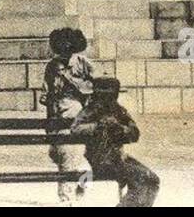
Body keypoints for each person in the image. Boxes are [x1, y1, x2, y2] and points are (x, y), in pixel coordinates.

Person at [72, 77, 159, 207]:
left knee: (153, 179)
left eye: (111, 96)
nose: (108, 100)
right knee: (141, 179)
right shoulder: (90, 110)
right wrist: (97, 126)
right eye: (104, 96)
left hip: (118, 159)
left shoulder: (119, 111)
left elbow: (134, 133)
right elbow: (75, 129)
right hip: (99, 161)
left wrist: (120, 128)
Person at [42, 27, 93, 203]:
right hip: (57, 113)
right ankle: (85, 172)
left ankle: (66, 199)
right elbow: (48, 97)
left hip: (75, 113)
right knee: (55, 153)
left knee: (66, 155)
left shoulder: (83, 63)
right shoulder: (51, 66)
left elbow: (100, 86)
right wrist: (49, 125)